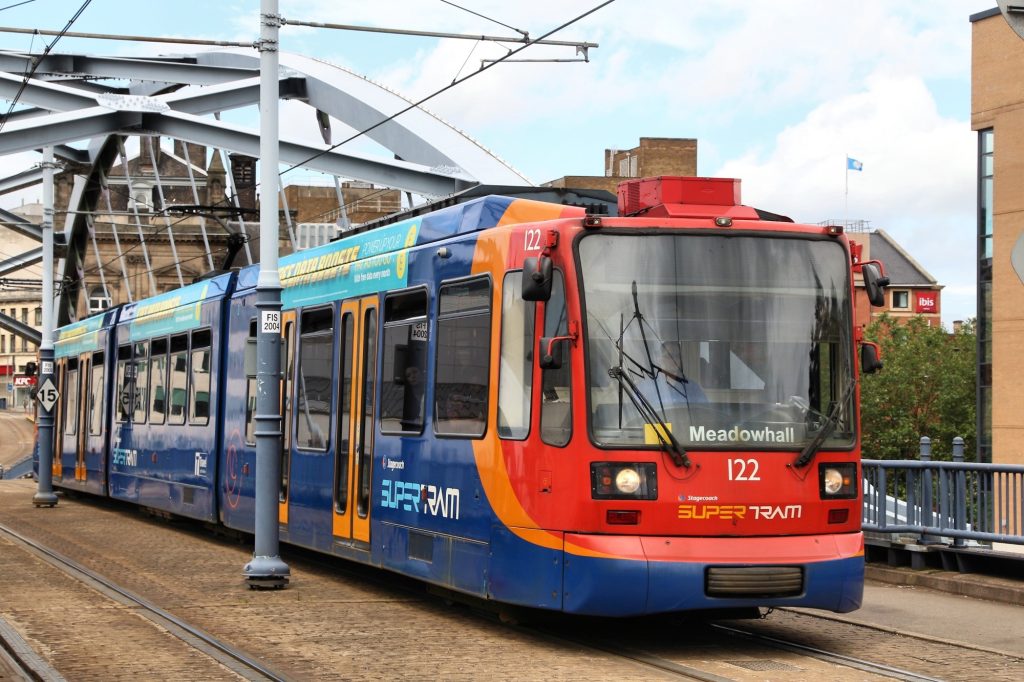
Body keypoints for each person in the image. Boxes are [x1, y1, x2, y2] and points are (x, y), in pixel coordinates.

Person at [636, 340, 707, 406]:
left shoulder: (693, 388)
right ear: (659, 359)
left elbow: (705, 410)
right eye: (669, 356)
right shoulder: (645, 388)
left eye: (677, 356)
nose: (674, 360)